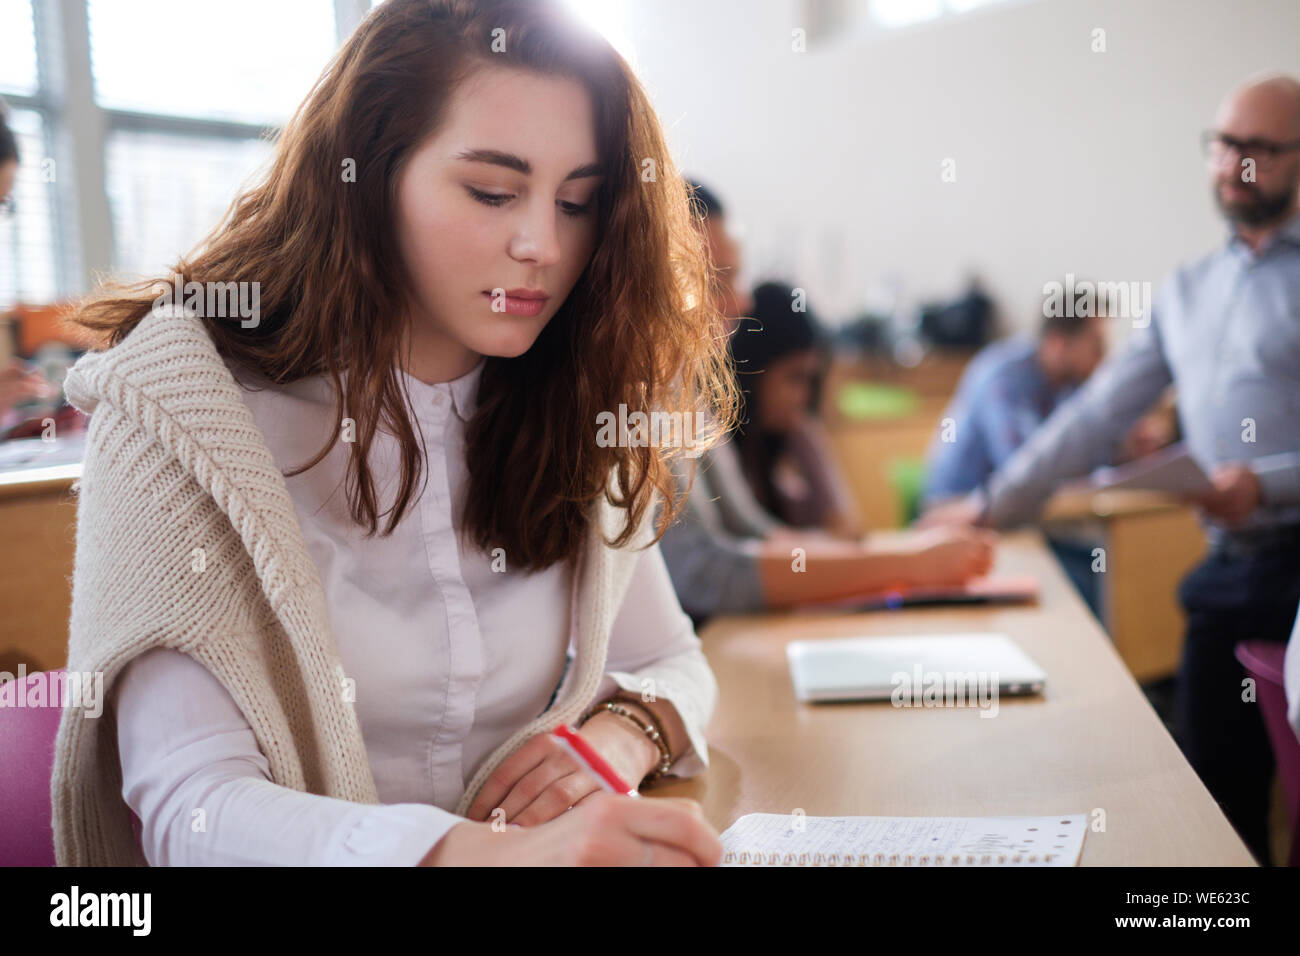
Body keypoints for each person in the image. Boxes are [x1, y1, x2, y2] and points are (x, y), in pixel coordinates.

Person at [53, 0, 730, 867]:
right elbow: (194, 810)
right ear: (367, 175)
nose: (542, 245)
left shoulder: (564, 388)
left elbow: (674, 659)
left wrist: (623, 736)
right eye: (492, 191)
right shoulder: (177, 411)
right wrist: (488, 857)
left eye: (578, 202)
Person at [923, 72, 1300, 864]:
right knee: (1211, 808)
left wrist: (1265, 481)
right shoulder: (1186, 291)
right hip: (1227, 571)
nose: (1236, 164)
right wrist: (992, 501)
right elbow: (1093, 417)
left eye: (1261, 149)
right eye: (1224, 145)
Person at [658, 180, 995, 623]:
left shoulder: (690, 390)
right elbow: (701, 573)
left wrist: (905, 557)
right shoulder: (638, 408)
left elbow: (754, 530)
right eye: (717, 279)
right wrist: (908, 565)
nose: (742, 300)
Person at [729, 280, 863, 539]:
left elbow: (848, 528)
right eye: (794, 378)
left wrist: (806, 435)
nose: (804, 396)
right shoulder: (717, 445)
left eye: (811, 381)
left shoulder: (788, 436)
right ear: (751, 372)